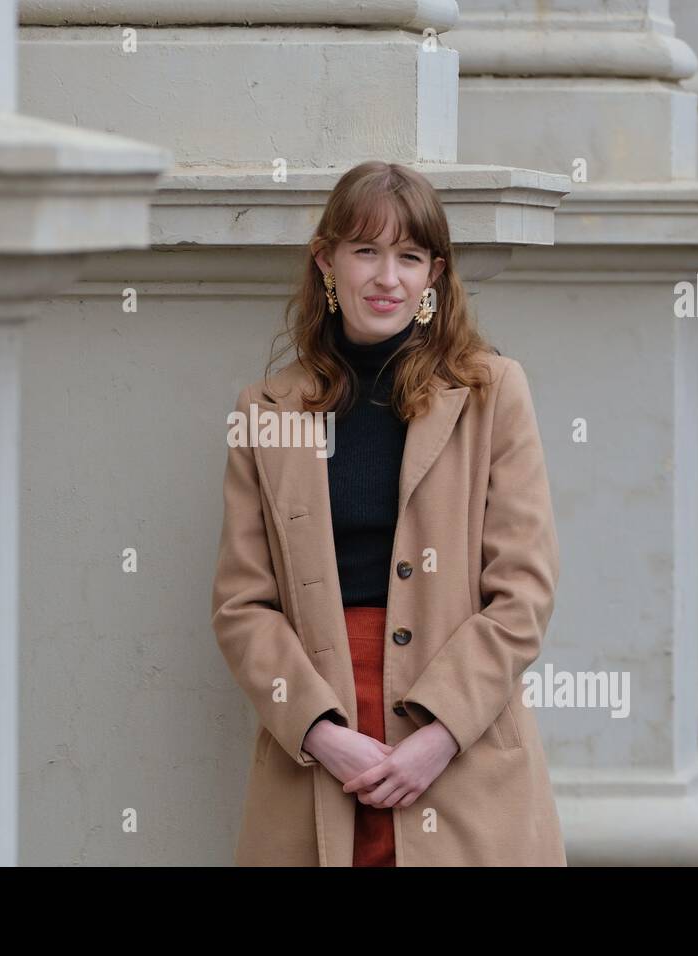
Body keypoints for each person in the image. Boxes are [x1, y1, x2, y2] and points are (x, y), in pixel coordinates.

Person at [211, 160, 566, 866]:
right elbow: (241, 604)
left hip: (461, 741)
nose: (387, 277)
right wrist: (320, 733)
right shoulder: (267, 411)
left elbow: (524, 591)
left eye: (409, 256)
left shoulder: (491, 392)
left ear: (434, 273)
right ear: (327, 262)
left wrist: (437, 736)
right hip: (318, 739)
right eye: (366, 251)